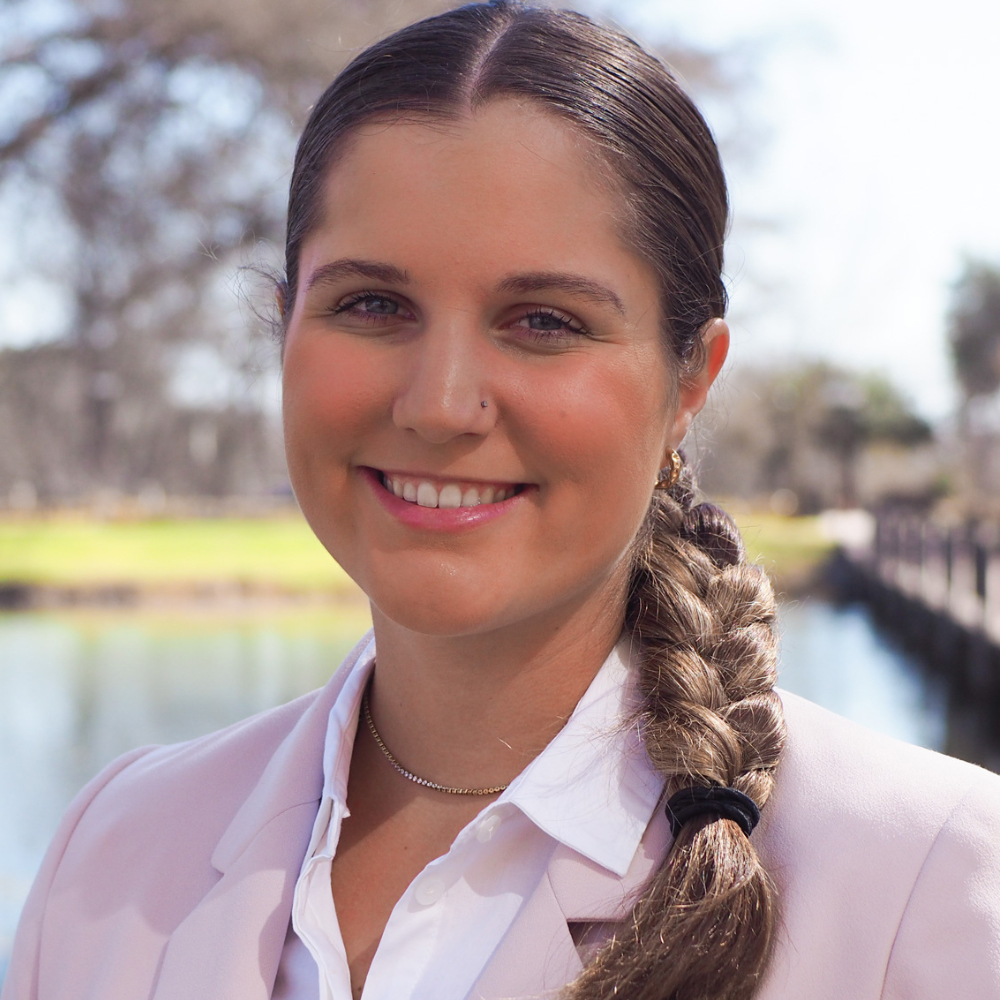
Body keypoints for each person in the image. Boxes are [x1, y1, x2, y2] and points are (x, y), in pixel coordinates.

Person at [5, 3, 1000, 999]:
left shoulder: (928, 881)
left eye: (542, 320)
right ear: (283, 328)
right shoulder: (112, 851)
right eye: (372, 304)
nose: (440, 406)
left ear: (688, 381)